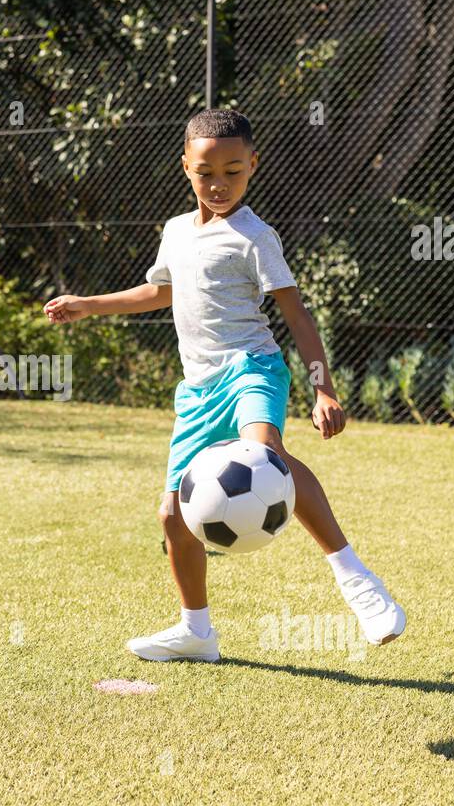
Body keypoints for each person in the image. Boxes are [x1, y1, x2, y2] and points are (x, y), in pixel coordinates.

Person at [43, 109, 405, 662]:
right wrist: (87, 305)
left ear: (252, 165)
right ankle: (197, 632)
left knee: (265, 453)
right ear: (185, 166)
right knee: (171, 515)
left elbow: (297, 315)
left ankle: (356, 579)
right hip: (197, 390)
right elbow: (160, 292)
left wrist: (322, 388)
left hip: (251, 367)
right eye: (206, 171)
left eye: (233, 172)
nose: (219, 184)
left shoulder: (256, 237)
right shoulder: (175, 233)